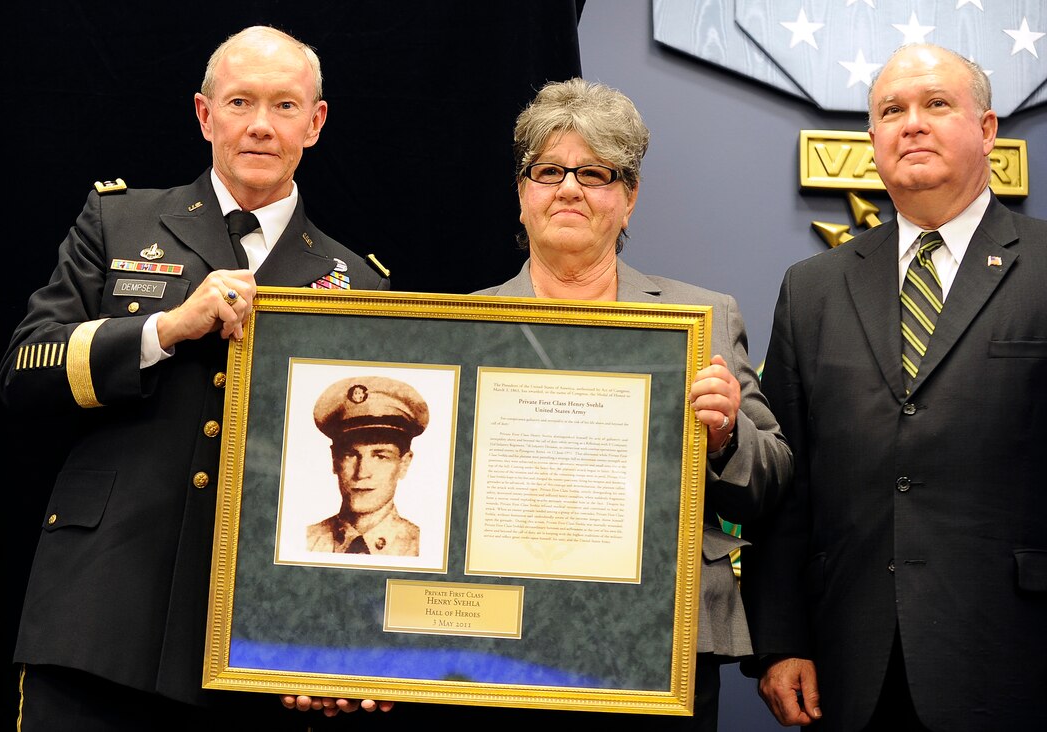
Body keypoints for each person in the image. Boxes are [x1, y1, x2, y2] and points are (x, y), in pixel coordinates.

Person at [0, 26, 396, 729]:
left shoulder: (355, 282)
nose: (261, 127)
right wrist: (165, 329)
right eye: (240, 102)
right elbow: (25, 371)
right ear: (205, 114)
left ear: (316, 121)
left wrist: (343, 638)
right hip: (99, 612)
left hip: (253, 639)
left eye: (284, 106)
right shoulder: (118, 223)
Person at [742, 43, 1047, 731]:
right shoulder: (812, 288)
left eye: (936, 104)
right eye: (891, 110)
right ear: (873, 138)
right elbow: (787, 488)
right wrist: (782, 642)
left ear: (989, 129)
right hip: (852, 669)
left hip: (1017, 656)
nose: (912, 122)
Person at [473, 77, 792, 730]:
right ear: (522, 193)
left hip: (661, 642)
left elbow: (774, 481)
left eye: (595, 173)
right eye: (549, 170)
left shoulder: (702, 317)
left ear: (629, 197)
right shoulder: (465, 326)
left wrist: (729, 433)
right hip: (503, 641)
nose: (569, 188)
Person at [307, 376, 429, 556]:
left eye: (380, 456)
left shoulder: (422, 548)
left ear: (404, 464)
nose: (362, 473)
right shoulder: (307, 542)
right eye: (350, 455)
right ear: (335, 461)